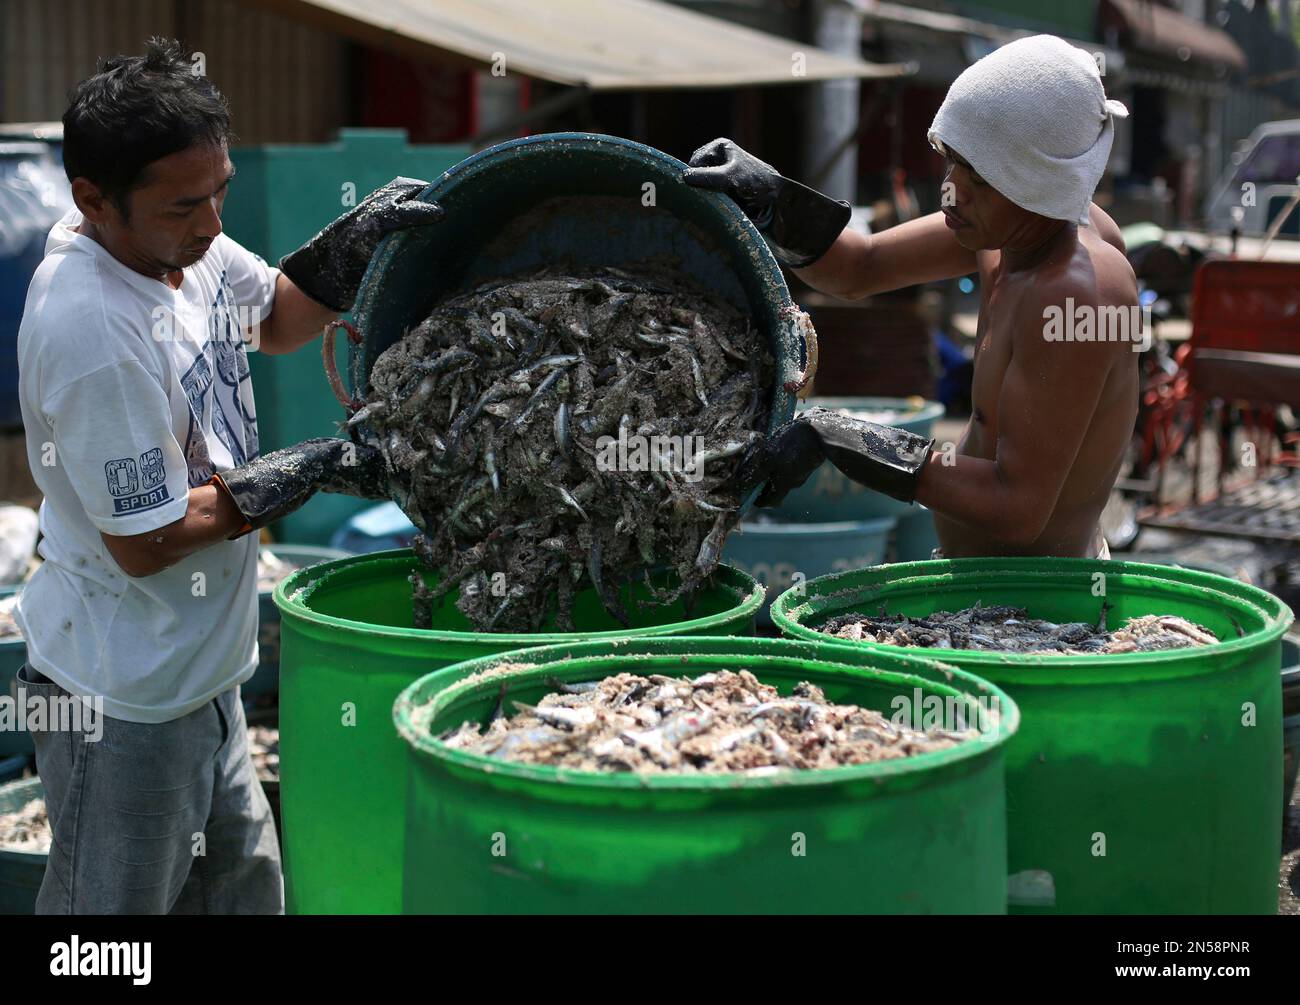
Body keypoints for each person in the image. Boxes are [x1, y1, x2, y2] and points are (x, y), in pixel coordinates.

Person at [12, 38, 442, 914]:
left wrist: (351, 247)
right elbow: (146, 540)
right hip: (123, 700)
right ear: (92, 200)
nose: (210, 225)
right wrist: (301, 472)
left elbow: (278, 316)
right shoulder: (92, 328)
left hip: (203, 679)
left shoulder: (177, 242)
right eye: (183, 206)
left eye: (222, 192)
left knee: (246, 896)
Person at [686, 35, 1139, 559]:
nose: (952, 190)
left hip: (1046, 608)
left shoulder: (1077, 294)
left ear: (1039, 183)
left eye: (979, 178)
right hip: (971, 581)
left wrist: (847, 441)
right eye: (951, 162)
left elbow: (1019, 508)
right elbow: (860, 268)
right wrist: (770, 196)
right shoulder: (1003, 231)